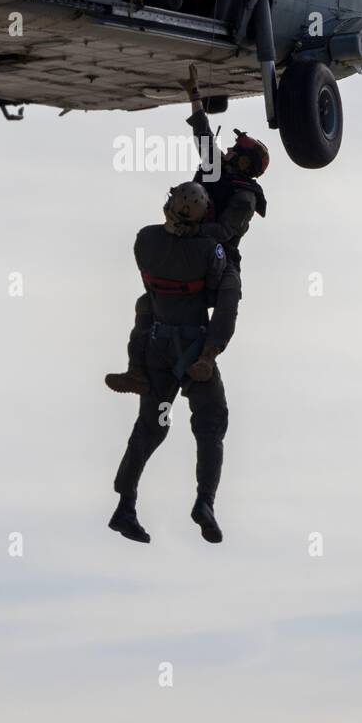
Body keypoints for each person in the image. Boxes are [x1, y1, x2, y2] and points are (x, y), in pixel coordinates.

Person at [105, 63, 268, 395]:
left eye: (238, 150)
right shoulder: (215, 169)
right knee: (147, 304)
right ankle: (137, 370)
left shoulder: (244, 197)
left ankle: (207, 356)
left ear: (244, 163)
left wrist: (189, 232)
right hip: (182, 239)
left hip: (216, 255)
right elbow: (202, 132)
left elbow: (223, 233)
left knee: (229, 293)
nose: (231, 149)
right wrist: (193, 94)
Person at [109, 182, 231, 545]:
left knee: (151, 426)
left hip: (156, 348)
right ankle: (204, 501)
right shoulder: (210, 251)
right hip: (193, 351)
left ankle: (125, 504)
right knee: (210, 425)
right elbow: (220, 303)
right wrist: (209, 355)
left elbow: (151, 290)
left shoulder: (144, 240)